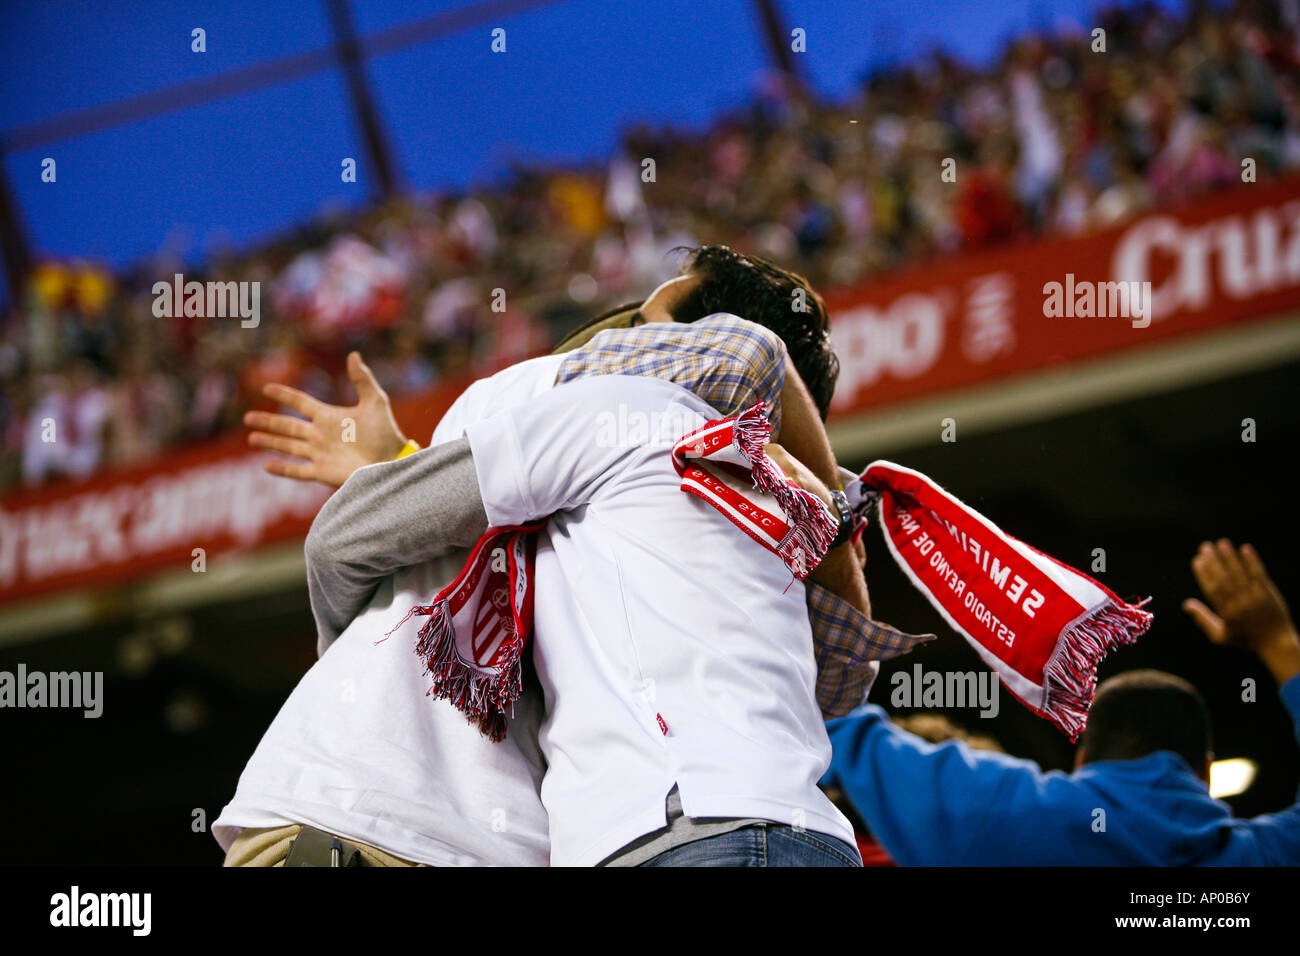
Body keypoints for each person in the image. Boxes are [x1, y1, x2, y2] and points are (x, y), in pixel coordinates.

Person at [216, 249, 920, 866]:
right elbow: (844, 680)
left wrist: (360, 649)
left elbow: (345, 537)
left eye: (631, 317)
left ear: (663, 324)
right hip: (771, 831)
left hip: (396, 819)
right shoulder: (781, 517)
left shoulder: (602, 396)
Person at [822, 539, 1300, 865]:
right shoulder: (1267, 855)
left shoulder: (1010, 812)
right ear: (1207, 773)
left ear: (1084, 759)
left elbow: (840, 725)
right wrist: (1279, 643)